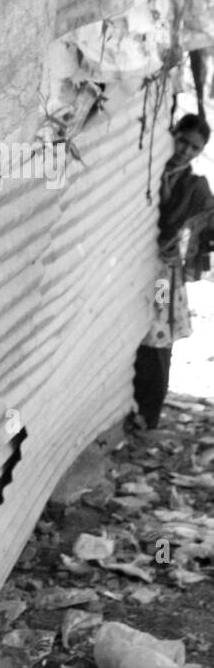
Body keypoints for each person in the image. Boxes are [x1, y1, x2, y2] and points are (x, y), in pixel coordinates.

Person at [131, 113, 214, 431]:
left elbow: (208, 213)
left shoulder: (194, 185)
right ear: (174, 135)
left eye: (195, 148)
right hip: (141, 265)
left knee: (157, 328)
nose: (186, 151)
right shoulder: (156, 169)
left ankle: (148, 414)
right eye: (183, 141)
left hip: (164, 273)